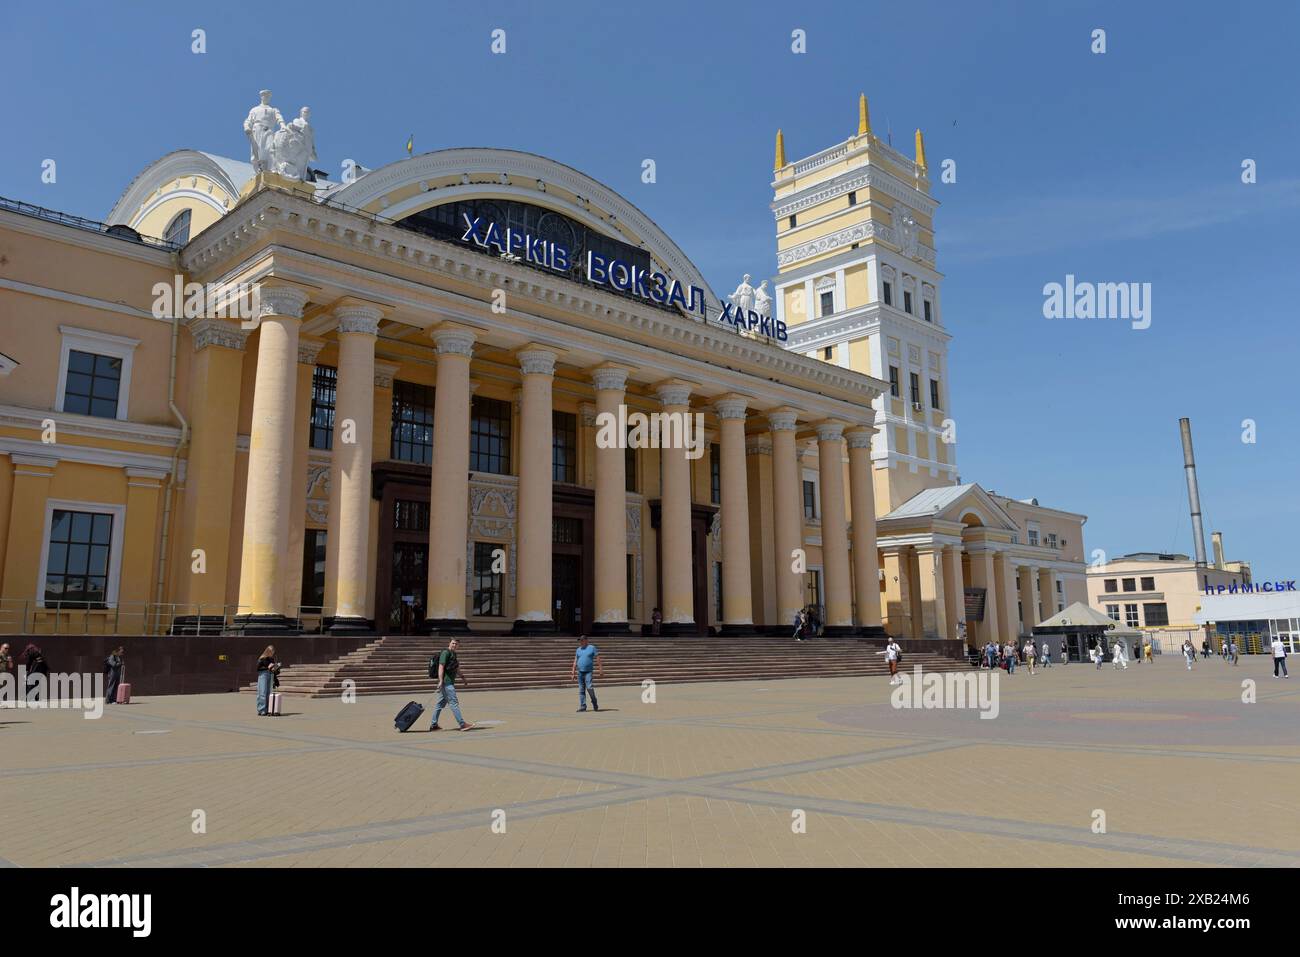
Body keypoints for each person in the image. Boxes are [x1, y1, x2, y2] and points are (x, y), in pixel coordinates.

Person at [429, 638, 473, 731]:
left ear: (458, 646)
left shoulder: (454, 654)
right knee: (454, 703)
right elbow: (441, 666)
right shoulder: (445, 653)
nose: (454, 645)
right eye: (453, 643)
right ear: (449, 643)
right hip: (446, 683)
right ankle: (462, 724)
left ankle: (433, 725)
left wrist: (463, 677)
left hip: (448, 683)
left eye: (456, 644)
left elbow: (456, 668)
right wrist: (441, 681)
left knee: (440, 704)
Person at [571, 636, 602, 711]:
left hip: (588, 671)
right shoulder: (578, 650)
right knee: (581, 689)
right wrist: (573, 672)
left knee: (589, 687)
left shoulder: (592, 648)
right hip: (580, 672)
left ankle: (594, 701)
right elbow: (575, 660)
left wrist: (600, 669)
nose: (581, 642)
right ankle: (583, 706)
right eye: (580, 641)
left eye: (582, 640)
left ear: (586, 640)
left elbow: (598, 658)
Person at [255, 646, 280, 716]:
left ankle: (268, 709)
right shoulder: (262, 658)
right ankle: (262, 710)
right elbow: (258, 668)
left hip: (270, 675)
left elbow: (273, 670)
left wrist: (276, 670)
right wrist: (267, 667)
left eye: (273, 652)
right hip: (263, 675)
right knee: (262, 692)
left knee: (268, 693)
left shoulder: (272, 659)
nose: (272, 654)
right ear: (268, 651)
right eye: (271, 652)